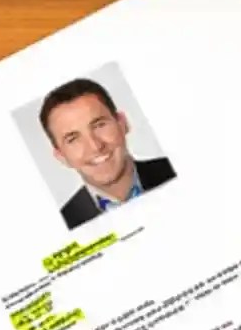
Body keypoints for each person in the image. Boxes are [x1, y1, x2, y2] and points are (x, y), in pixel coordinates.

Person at [39, 78, 175, 229]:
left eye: (99, 125)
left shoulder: (177, 167)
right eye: (73, 139)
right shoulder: (63, 225)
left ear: (122, 124)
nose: (95, 146)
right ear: (61, 157)